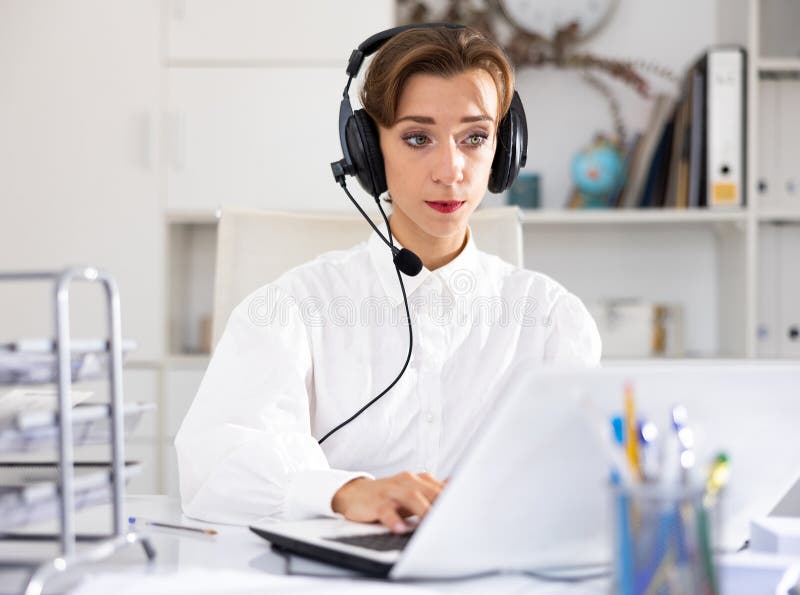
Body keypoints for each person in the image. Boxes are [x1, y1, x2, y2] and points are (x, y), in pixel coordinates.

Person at [175, 25, 601, 534]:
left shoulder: (553, 321)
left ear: (504, 151)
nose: (451, 169)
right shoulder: (293, 309)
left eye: (475, 137)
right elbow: (213, 467)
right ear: (368, 152)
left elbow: (580, 486)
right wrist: (345, 492)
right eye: (418, 138)